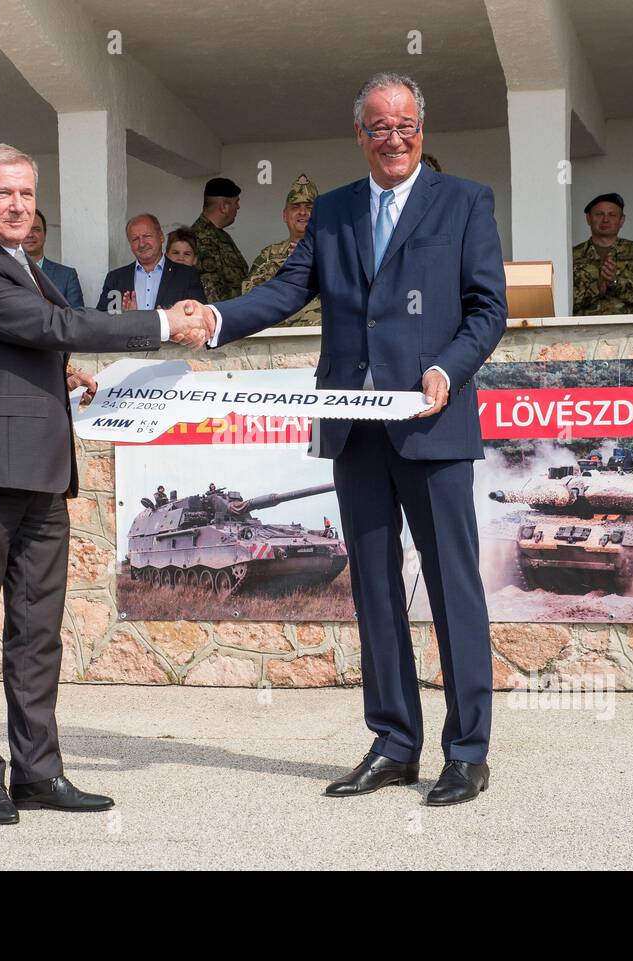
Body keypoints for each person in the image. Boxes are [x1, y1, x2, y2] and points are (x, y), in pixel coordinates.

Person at [174, 72, 507, 807]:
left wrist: (446, 371)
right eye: (380, 126)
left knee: (453, 586)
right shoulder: (333, 210)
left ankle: (466, 752)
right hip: (355, 428)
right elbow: (287, 291)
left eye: (406, 125)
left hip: (433, 423)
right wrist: (217, 319)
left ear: (422, 129)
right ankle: (393, 743)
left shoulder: (465, 202)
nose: (395, 138)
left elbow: (488, 308)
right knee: (375, 588)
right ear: (360, 134)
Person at [0, 143, 208, 825]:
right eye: (3, 193)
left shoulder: (20, 261)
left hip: (41, 471)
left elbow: (24, 345)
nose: (18, 205)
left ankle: (38, 771)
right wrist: (163, 323)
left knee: (37, 633)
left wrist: (59, 374)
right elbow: (51, 324)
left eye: (27, 193)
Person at [241, 173, 322, 326]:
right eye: (295, 207)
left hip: (321, 334)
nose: (302, 212)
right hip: (279, 335)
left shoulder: (334, 251)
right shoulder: (269, 255)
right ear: (285, 215)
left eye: (309, 207)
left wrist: (317, 262)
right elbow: (249, 296)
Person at [571, 193, 633, 315]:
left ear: (621, 220)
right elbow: (560, 299)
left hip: (627, 327)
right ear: (588, 218)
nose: (605, 220)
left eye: (612, 215)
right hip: (582, 326)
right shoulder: (571, 256)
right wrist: (596, 288)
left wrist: (615, 283)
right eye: (599, 214)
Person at [96, 214, 205, 312]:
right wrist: (125, 318)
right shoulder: (116, 279)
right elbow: (102, 321)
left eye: (147, 236)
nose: (142, 244)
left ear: (161, 236)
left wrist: (170, 320)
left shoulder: (188, 276)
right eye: (135, 239)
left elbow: (200, 318)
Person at [190, 177, 248, 301]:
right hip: (223, 312)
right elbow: (212, 293)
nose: (238, 207)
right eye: (236, 202)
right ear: (224, 207)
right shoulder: (201, 237)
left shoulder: (220, 235)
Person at [23, 209, 84, 309]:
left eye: (36, 229)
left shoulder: (67, 276)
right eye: (25, 229)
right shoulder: (4, 274)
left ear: (45, 235)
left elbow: (77, 316)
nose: (30, 235)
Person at [165, 228, 219, 301]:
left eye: (187, 254)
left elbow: (211, 306)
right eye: (176, 253)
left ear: (195, 259)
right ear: (166, 256)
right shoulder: (160, 279)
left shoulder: (205, 284)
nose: (181, 258)